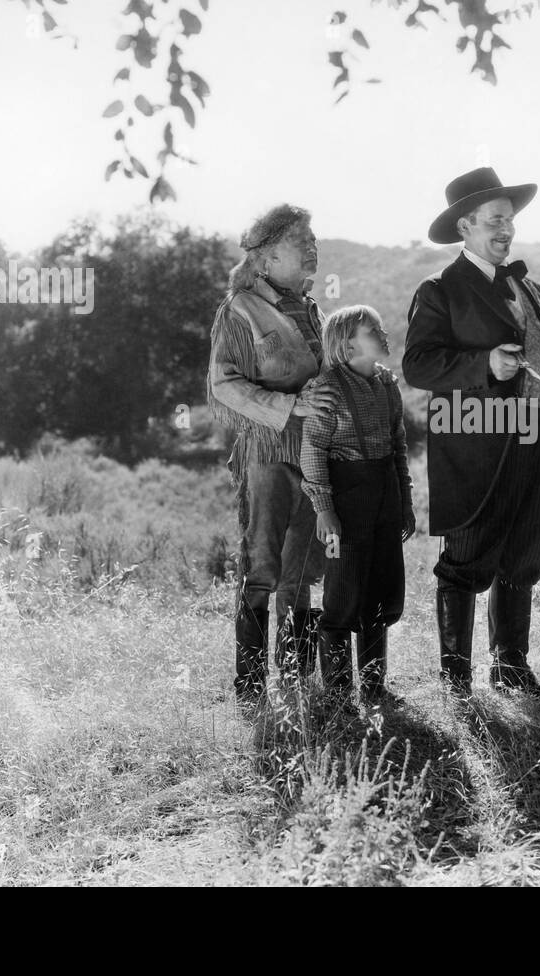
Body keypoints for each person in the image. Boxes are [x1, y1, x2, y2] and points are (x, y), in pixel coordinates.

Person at [404, 166, 540, 696]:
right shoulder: (439, 289)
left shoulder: (532, 288)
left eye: (510, 221)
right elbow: (417, 364)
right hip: (475, 444)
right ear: (465, 227)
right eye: (495, 221)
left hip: (536, 441)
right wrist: (484, 365)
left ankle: (510, 666)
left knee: (524, 557)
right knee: (465, 562)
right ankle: (455, 678)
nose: (506, 231)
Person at [207, 204, 336, 704]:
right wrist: (289, 404)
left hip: (313, 455)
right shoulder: (239, 309)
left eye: (313, 236)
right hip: (267, 452)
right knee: (262, 563)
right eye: (301, 238)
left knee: (302, 569)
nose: (312, 246)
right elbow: (223, 386)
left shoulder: (310, 308)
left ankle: (298, 684)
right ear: (267, 255)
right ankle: (251, 688)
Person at [300, 305, 415, 704]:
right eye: (374, 330)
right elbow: (313, 448)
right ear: (349, 343)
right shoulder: (327, 387)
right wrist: (323, 508)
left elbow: (398, 445)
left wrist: (406, 502)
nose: (384, 334)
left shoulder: (387, 383)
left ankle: (374, 686)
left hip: (385, 493)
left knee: (381, 589)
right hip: (345, 499)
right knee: (343, 593)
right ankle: (336, 695)